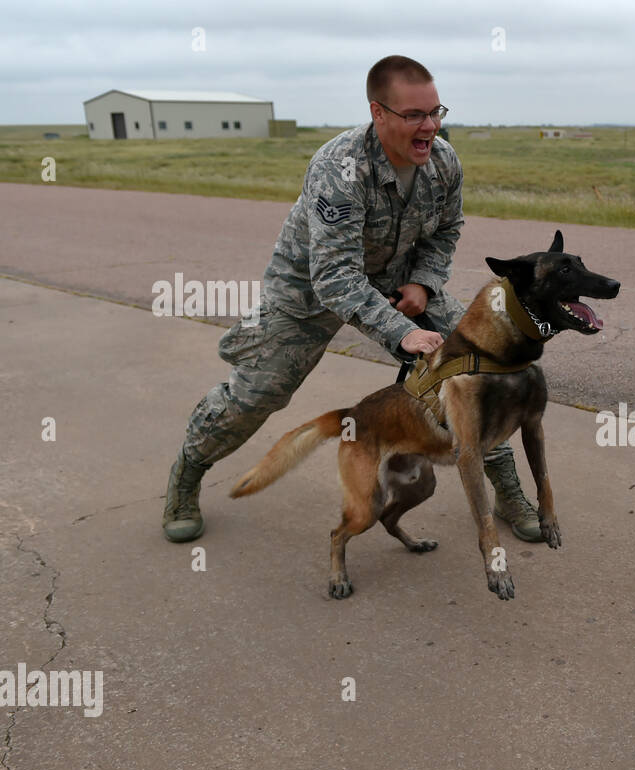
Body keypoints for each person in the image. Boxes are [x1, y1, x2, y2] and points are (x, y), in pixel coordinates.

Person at [163, 55, 545, 546]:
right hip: (308, 291)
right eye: (414, 115)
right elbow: (335, 274)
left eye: (436, 112)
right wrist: (402, 332)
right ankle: (188, 471)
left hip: (400, 282)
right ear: (378, 113)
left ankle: (507, 493)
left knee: (472, 372)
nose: (429, 126)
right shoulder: (339, 168)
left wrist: (425, 284)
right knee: (258, 393)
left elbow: (446, 230)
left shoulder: (444, 160)